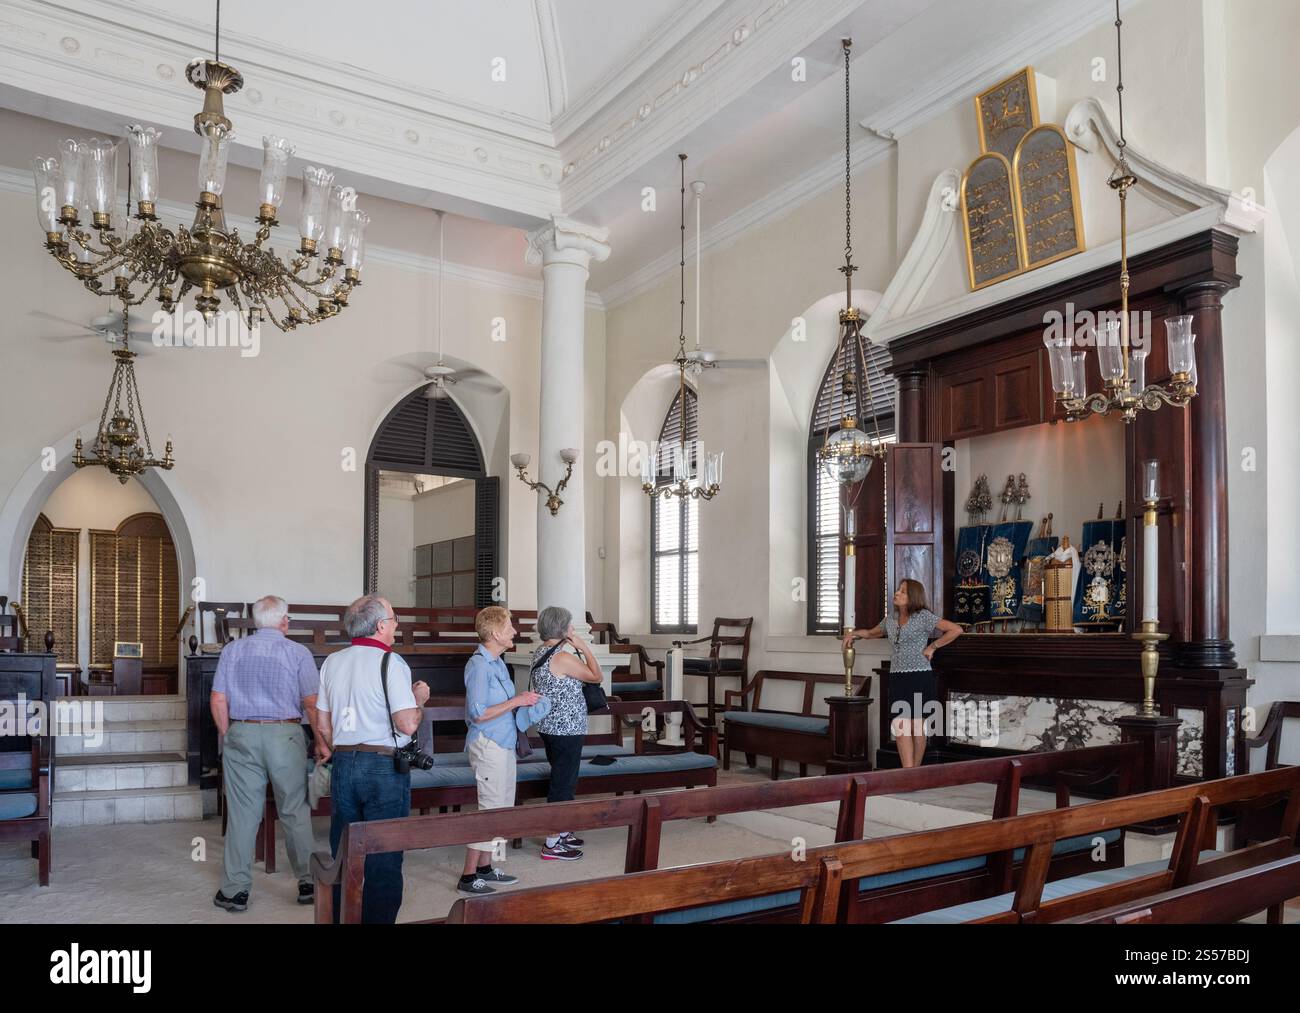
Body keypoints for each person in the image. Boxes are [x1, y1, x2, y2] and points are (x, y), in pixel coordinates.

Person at [315, 594, 430, 923]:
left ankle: (341, 917)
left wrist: (348, 743)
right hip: (383, 766)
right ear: (381, 625)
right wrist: (418, 697)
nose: (395, 626)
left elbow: (323, 725)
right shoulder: (391, 662)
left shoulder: (333, 662)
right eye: (393, 620)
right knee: (384, 855)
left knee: (344, 850)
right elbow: (407, 723)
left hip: (344, 762)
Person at [210, 595, 320, 913]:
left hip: (242, 731)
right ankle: (308, 883)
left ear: (256, 621)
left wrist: (228, 735)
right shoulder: (298, 652)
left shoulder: (232, 650)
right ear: (284, 621)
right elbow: (311, 704)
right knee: (294, 809)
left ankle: (234, 891)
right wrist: (323, 741)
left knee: (244, 813)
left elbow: (218, 699)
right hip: (285, 733)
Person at [459, 605, 542, 895]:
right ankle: (468, 876)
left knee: (503, 807)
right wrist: (517, 700)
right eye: (509, 627)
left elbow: (505, 707)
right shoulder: (479, 665)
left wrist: (528, 704)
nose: (515, 631)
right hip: (488, 744)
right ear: (495, 633)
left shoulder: (497, 663)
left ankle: (487, 867)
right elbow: (478, 712)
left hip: (504, 742)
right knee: (488, 809)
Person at [843, 579, 962, 768]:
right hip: (898, 677)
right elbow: (872, 633)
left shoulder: (923, 616)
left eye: (903, 591)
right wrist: (854, 635)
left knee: (916, 727)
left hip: (919, 676)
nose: (897, 593)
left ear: (912, 597)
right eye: (898, 590)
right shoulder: (890, 618)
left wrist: (932, 646)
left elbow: (955, 629)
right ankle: (908, 773)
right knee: (900, 726)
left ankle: (912, 774)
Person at [530, 605, 603, 860]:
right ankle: (552, 843)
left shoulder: (541, 651)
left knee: (562, 778)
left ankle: (561, 831)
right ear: (562, 629)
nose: (573, 629)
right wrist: (582, 646)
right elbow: (596, 676)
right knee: (563, 784)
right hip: (567, 729)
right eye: (570, 625)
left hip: (550, 727)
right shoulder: (561, 657)